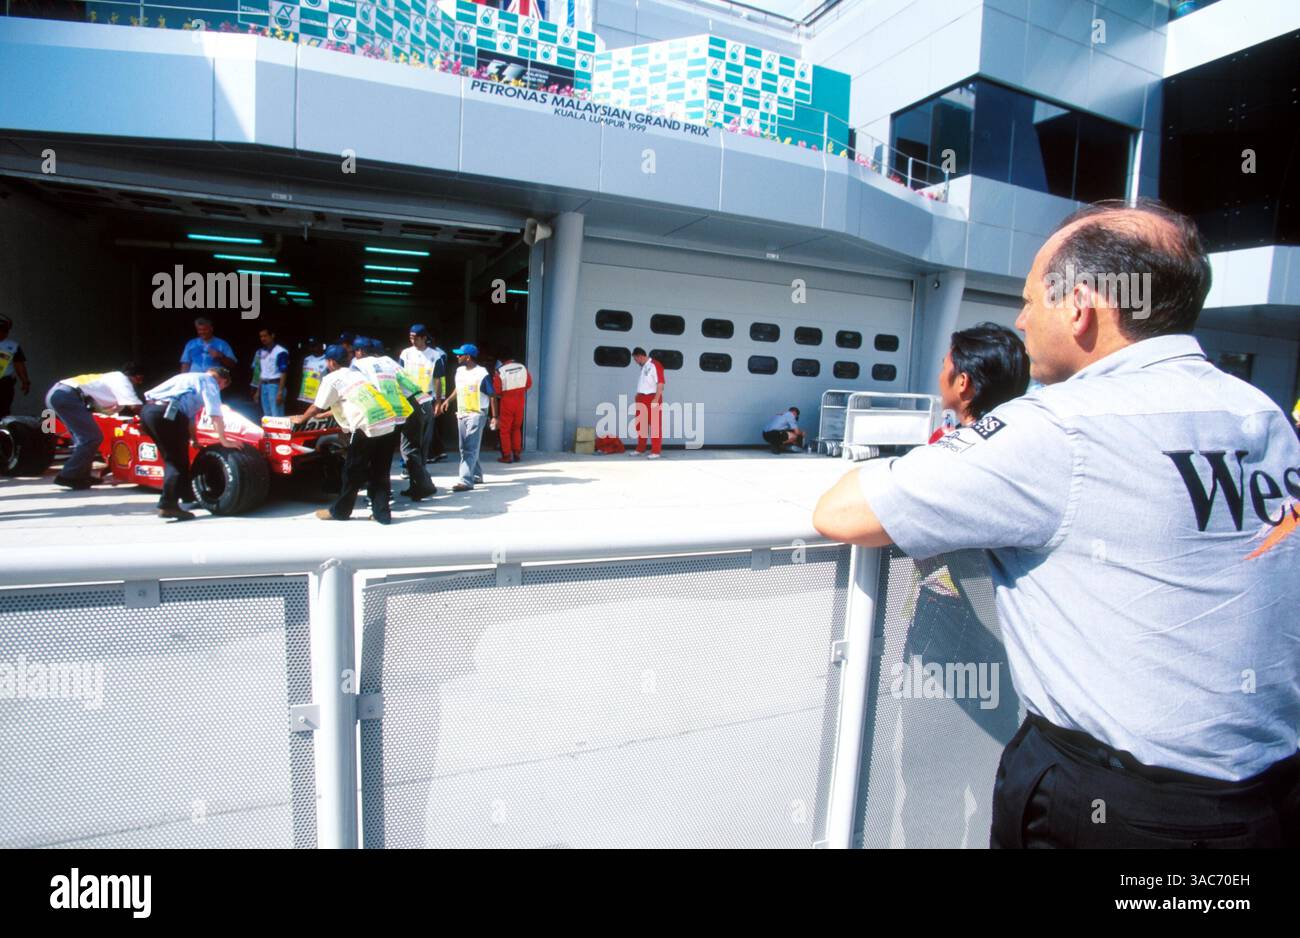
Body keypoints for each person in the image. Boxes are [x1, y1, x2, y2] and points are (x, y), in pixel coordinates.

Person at [813, 199, 1300, 848]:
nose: (1021, 319)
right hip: (1273, 795)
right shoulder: (1262, 415)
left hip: (1116, 810)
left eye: (1031, 299)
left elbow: (841, 512)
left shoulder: (1062, 428)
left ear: (1081, 307)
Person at [292, 344, 400, 525]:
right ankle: (382, 514)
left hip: (367, 426)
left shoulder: (331, 378)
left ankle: (340, 512)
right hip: (387, 421)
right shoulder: (357, 374)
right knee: (380, 471)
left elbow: (316, 406)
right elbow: (347, 401)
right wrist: (323, 415)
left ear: (331, 362)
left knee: (352, 470)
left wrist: (301, 420)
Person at [141, 367, 240, 521]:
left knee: (174, 458)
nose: (220, 389)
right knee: (176, 462)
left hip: (150, 411)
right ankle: (168, 505)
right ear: (221, 381)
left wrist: (194, 439)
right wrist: (224, 440)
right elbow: (215, 412)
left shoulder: (186, 378)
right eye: (222, 387)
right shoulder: (209, 381)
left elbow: (189, 417)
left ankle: (186, 495)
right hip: (167, 414)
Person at [356, 337, 436, 502]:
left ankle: (423, 486)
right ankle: (419, 487)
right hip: (421, 401)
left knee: (407, 450)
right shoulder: (390, 362)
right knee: (413, 448)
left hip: (411, 405)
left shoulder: (374, 366)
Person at [45, 364, 146, 489]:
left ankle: (81, 475)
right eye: (139, 380)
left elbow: (109, 408)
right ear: (137, 377)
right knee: (92, 437)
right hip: (67, 396)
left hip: (61, 394)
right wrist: (149, 419)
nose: (138, 384)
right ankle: (68, 476)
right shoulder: (121, 379)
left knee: (82, 439)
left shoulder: (109, 379)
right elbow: (134, 405)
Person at [929, 322, 1031, 444]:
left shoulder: (948, 450)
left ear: (962, 382)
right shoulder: (1021, 442)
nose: (940, 377)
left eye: (944, 367)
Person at [436, 344, 494, 492]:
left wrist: (495, 417)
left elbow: (492, 395)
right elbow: (459, 388)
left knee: (469, 447)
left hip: (477, 413)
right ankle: (476, 475)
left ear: (468, 357)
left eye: (460, 354)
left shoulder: (482, 373)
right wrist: (448, 399)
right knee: (466, 447)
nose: (457, 356)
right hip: (462, 412)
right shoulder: (460, 371)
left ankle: (465, 481)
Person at [399, 324, 445, 466]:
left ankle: (421, 466)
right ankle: (407, 466)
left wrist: (438, 402)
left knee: (424, 436)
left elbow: (438, 380)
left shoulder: (435, 355)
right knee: (407, 434)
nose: (413, 341)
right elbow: (399, 375)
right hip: (408, 398)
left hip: (426, 399)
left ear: (424, 338)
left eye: (416, 338)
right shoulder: (405, 353)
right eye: (411, 338)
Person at [491, 349, 531, 463]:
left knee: (504, 430)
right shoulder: (522, 367)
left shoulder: (500, 370)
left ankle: (507, 456)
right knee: (516, 428)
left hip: (507, 402)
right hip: (520, 401)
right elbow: (529, 384)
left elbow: (496, 390)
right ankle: (517, 453)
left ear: (501, 359)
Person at [629, 347, 665, 458]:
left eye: (636, 359)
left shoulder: (655, 365)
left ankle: (656, 451)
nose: (636, 362)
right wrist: (638, 394)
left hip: (652, 398)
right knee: (641, 425)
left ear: (640, 356)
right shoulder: (644, 367)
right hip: (641, 398)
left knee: (654, 425)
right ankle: (640, 448)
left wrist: (656, 398)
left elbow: (660, 383)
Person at [250, 326, 290, 418]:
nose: (263, 338)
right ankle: (269, 433)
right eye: (261, 336)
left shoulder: (281, 351)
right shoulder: (261, 352)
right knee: (267, 416)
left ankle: (278, 433)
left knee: (277, 415)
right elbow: (262, 372)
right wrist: (257, 391)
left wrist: (280, 392)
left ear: (272, 336)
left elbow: (283, 372)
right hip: (264, 385)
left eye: (265, 336)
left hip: (275, 385)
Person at [0, 315, 31, 418]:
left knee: (3, 412)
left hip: (4, 384)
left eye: (5, 331)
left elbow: (19, 365)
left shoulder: (13, 345)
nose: (3, 333)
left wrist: (25, 381)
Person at [296, 337, 328, 412]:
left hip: (318, 398)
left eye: (315, 346)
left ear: (321, 346)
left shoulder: (326, 360)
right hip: (305, 396)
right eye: (311, 346)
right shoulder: (306, 359)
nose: (313, 348)